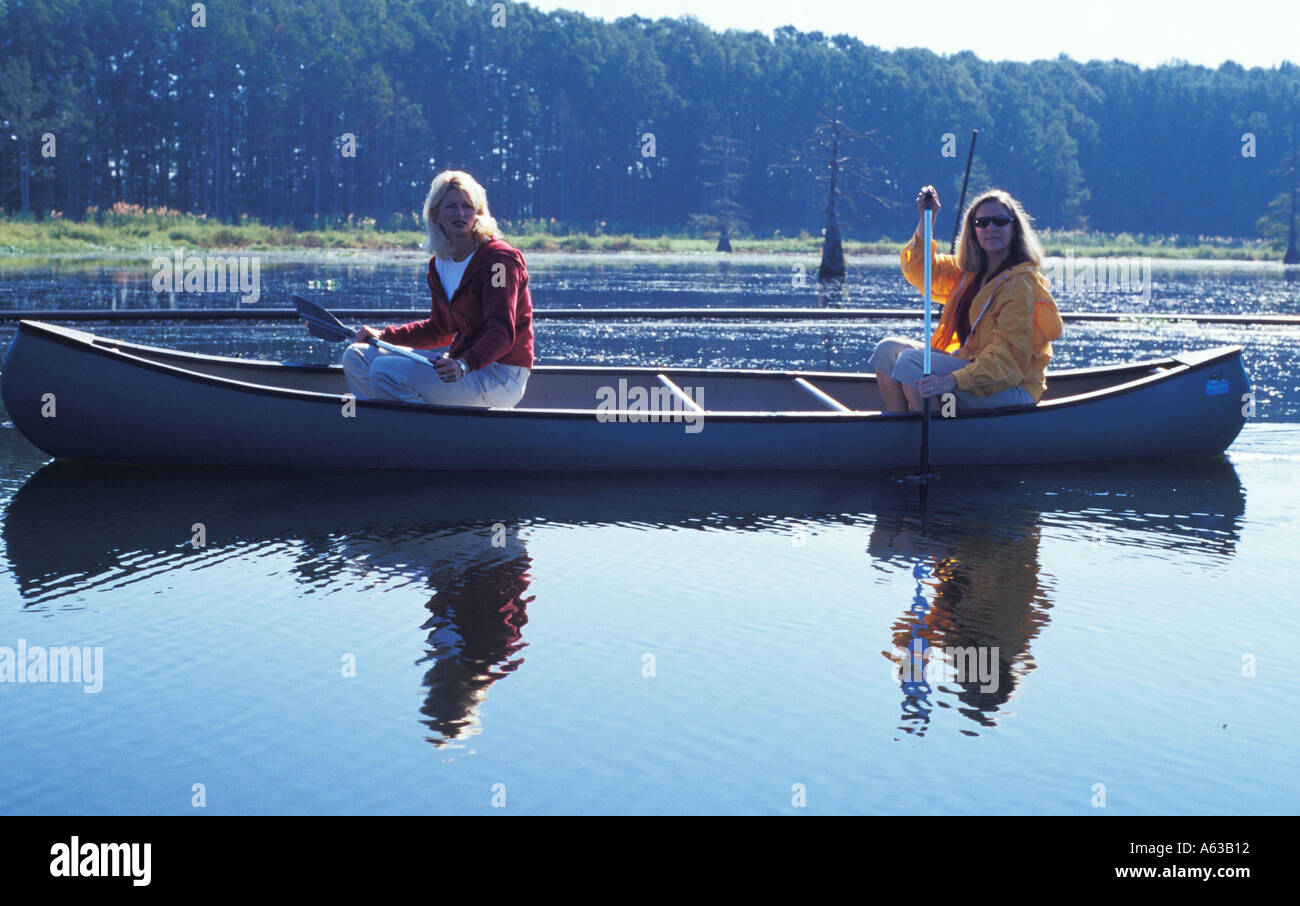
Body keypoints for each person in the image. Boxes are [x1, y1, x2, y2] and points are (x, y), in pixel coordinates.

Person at [342, 170, 534, 407]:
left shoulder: (499, 262)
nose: (460, 213)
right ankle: (385, 427)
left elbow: (502, 331)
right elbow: (440, 329)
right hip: (461, 365)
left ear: (479, 213)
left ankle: (419, 434)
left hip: (499, 376)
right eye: (451, 206)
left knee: (385, 370)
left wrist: (464, 364)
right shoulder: (439, 263)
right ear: (436, 214)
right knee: (357, 356)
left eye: (468, 206)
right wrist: (384, 336)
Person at [870, 186, 1062, 413]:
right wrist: (927, 219)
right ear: (973, 231)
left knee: (912, 363)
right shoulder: (966, 272)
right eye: (982, 223)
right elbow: (920, 269)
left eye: (1000, 221)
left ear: (1014, 228)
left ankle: (938, 437)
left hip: (1012, 387)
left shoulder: (1021, 286)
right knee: (887, 350)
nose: (991, 228)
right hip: (971, 368)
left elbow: (1006, 360)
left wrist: (951, 381)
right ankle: (900, 428)